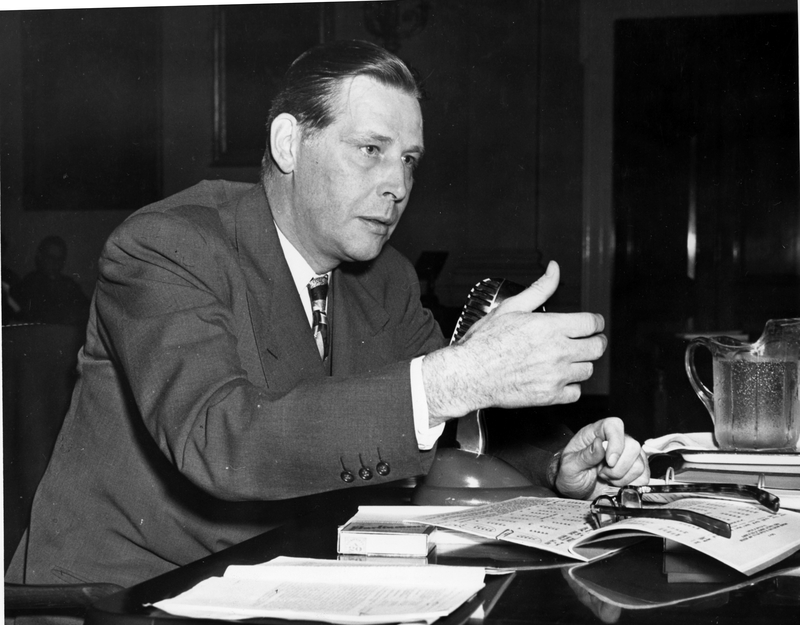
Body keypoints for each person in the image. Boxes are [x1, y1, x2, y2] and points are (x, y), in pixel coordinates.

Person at [6, 40, 648, 595]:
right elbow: (221, 441)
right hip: (132, 597)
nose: (398, 185)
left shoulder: (386, 279)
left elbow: (450, 426)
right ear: (290, 143)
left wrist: (558, 461)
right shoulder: (169, 245)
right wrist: (455, 376)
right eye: (371, 149)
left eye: (410, 159)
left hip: (298, 581)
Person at [10, 235, 90, 326]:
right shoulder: (29, 283)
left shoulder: (69, 285)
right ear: (40, 257)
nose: (55, 263)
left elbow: (86, 309)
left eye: (59, 259)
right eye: (50, 257)